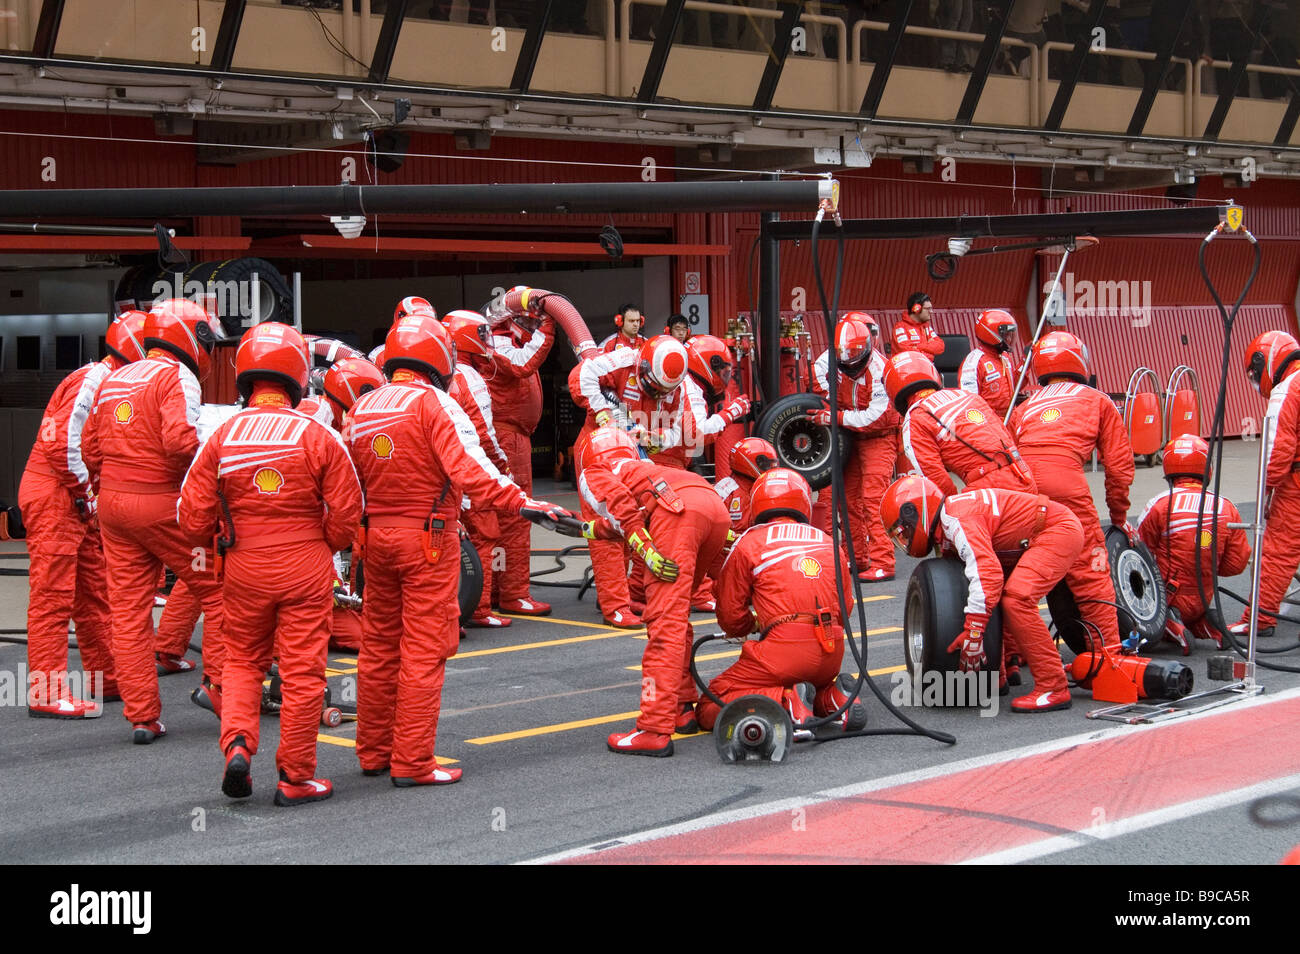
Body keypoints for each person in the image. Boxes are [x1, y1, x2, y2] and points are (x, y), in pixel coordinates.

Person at [347, 314, 575, 785]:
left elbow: (346, 483)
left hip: (373, 541)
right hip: (426, 541)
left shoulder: (363, 407)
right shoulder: (435, 403)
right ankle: (413, 761)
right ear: (438, 357)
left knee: (379, 646)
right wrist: (523, 502)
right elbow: (471, 467)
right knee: (425, 647)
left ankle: (373, 751)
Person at [178, 322, 363, 806]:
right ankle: (295, 777)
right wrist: (320, 543)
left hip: (244, 566)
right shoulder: (319, 435)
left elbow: (190, 516)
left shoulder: (223, 437)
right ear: (298, 376)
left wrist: (225, 534)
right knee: (303, 673)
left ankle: (238, 745)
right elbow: (348, 511)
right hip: (305, 565)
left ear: (246, 375)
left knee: (241, 661)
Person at [83, 299, 229, 744]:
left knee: (128, 611)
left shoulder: (115, 378)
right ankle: (221, 686)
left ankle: (142, 717)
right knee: (219, 588)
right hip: (162, 504)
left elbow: (90, 449)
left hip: (114, 506)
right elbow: (181, 444)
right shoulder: (177, 376)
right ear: (189, 336)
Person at [19, 311, 147, 718]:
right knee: (53, 598)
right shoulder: (93, 379)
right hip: (58, 495)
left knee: (94, 593)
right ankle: (45, 692)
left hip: (74, 495)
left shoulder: (110, 381)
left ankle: (106, 677)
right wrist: (86, 496)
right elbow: (61, 445)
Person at [576, 425, 730, 754]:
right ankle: (681, 706)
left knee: (664, 622)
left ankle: (653, 727)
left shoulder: (595, 471)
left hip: (677, 515)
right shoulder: (644, 468)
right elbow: (636, 515)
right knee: (677, 616)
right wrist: (590, 529)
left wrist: (646, 552)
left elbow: (622, 510)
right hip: (710, 503)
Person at [880, 475, 1084, 711]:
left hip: (1056, 530)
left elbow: (988, 573)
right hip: (1031, 535)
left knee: (1016, 599)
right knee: (990, 595)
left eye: (904, 532)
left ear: (915, 512)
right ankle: (998, 674)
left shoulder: (956, 519)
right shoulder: (949, 524)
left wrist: (974, 633)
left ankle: (1054, 686)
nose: (905, 540)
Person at [697, 468, 867, 733]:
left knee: (710, 704)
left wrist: (753, 625)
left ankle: (785, 702)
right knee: (809, 682)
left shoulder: (749, 543)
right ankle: (834, 698)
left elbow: (730, 616)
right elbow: (845, 608)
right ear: (803, 502)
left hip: (783, 651)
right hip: (831, 651)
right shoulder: (828, 542)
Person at [1009, 331, 1132, 650]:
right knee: (1092, 572)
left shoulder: (1024, 406)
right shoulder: (1098, 400)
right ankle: (1109, 654)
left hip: (1022, 491)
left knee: (1018, 574)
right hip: (1066, 488)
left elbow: (1006, 456)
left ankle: (1011, 655)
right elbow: (1119, 469)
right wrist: (1119, 517)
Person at [479, 291, 557, 616]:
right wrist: (549, 325)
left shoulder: (499, 342)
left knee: (500, 516)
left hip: (509, 435)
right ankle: (513, 594)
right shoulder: (499, 344)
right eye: (527, 319)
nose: (531, 325)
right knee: (516, 516)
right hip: (507, 438)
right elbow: (525, 363)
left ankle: (495, 591)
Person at [1138, 435, 1251, 653]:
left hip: (1167, 597)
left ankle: (1172, 626)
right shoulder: (1226, 506)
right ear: (1207, 466)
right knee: (1198, 612)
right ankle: (1211, 626)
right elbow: (1236, 564)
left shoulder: (1159, 504)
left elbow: (1140, 552)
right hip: (1203, 596)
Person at [811, 312, 901, 582]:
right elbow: (816, 374)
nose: (849, 362)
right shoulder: (833, 358)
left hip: (879, 439)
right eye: (844, 356)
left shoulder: (881, 370)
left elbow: (877, 417)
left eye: (853, 356)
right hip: (849, 438)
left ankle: (884, 562)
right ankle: (856, 556)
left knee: (874, 500)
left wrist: (836, 417)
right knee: (848, 500)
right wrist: (830, 406)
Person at [444, 310, 514, 629]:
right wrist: (502, 467)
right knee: (485, 535)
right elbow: (484, 434)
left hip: (439, 474)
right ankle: (478, 609)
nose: (487, 342)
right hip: (469, 470)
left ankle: (448, 611)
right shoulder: (470, 378)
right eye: (482, 335)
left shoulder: (439, 374)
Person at [884, 351, 1036, 496]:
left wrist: (953, 505)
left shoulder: (916, 417)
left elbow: (934, 478)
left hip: (990, 489)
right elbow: (1005, 434)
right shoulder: (967, 395)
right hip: (1023, 475)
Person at [1231, 330, 1300, 639]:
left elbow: (1277, 451)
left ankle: (1260, 618)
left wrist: (1265, 494)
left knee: (1277, 552)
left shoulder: (1288, 389)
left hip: (1295, 484)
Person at [681, 334, 752, 461]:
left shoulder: (684, 381)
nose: (723, 377)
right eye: (721, 371)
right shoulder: (690, 389)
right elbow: (698, 433)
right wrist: (730, 413)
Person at [959, 309, 1023, 419]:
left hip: (1010, 418)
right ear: (990, 334)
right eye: (1006, 335)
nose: (1009, 339)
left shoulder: (1005, 357)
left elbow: (1015, 386)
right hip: (989, 421)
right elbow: (970, 403)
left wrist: (1025, 362)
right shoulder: (974, 362)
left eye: (1010, 335)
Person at [714, 437, 777, 533]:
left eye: (772, 465)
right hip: (732, 542)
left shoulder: (772, 489)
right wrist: (736, 537)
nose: (769, 469)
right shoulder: (725, 490)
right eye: (765, 465)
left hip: (759, 540)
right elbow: (711, 526)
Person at [891, 292, 945, 359]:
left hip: (926, 364)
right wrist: (930, 351)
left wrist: (918, 346)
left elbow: (940, 347)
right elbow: (907, 352)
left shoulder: (926, 327)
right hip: (909, 365)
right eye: (928, 309)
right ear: (916, 309)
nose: (931, 312)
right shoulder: (900, 328)